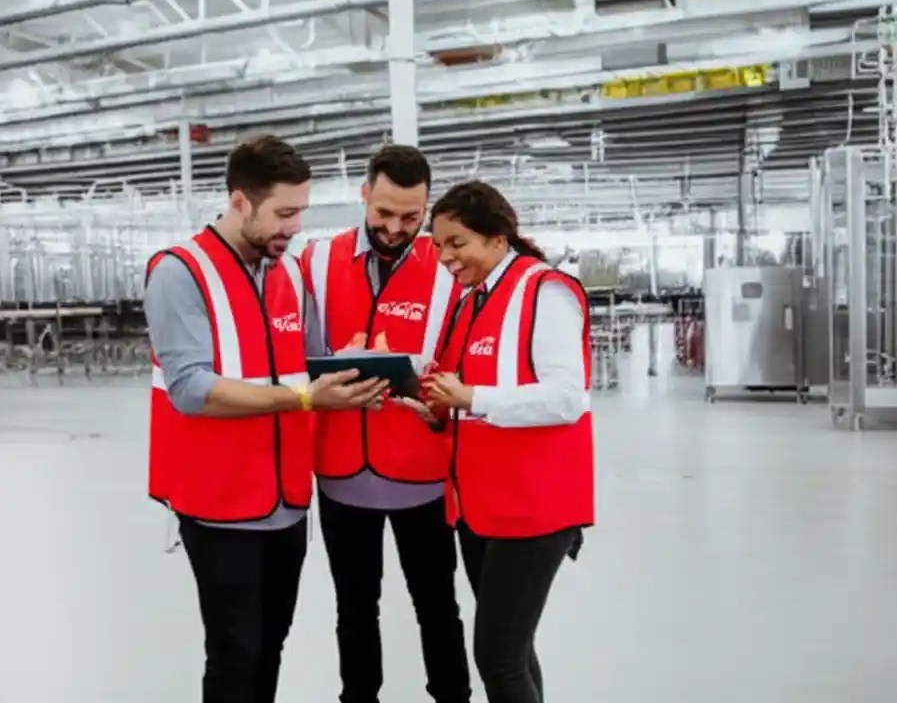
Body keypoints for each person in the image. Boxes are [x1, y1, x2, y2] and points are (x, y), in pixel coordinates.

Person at [143, 134, 389, 703]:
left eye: (299, 211)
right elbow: (190, 389)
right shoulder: (179, 272)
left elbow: (306, 361)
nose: (295, 226)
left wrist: (349, 365)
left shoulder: (288, 274)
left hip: (286, 501)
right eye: (283, 213)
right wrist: (305, 399)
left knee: (270, 644)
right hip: (220, 502)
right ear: (240, 202)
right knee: (235, 653)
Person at [299, 145, 471, 703]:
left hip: (421, 468)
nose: (396, 228)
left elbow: (470, 362)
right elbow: (289, 352)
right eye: (384, 214)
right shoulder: (315, 263)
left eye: (411, 217)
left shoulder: (450, 272)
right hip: (342, 471)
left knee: (436, 604)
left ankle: (451, 695)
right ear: (364, 194)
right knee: (354, 605)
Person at [419, 180, 595, 703]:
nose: (445, 257)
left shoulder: (545, 291)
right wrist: (436, 405)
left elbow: (567, 397)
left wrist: (472, 397)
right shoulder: (474, 299)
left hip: (533, 508)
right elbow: (473, 387)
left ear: (498, 239)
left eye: (458, 243)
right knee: (513, 651)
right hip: (483, 507)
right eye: (439, 245)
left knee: (497, 655)